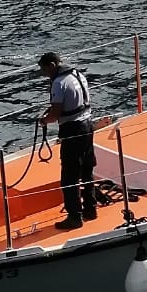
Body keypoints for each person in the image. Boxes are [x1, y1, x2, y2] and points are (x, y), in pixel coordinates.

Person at [39, 50, 97, 228]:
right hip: (87, 125)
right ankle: (90, 208)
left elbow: (56, 113)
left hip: (73, 129)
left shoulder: (58, 83)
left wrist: (43, 120)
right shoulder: (77, 74)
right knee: (87, 169)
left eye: (45, 70)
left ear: (52, 65)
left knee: (69, 176)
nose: (44, 74)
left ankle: (74, 216)